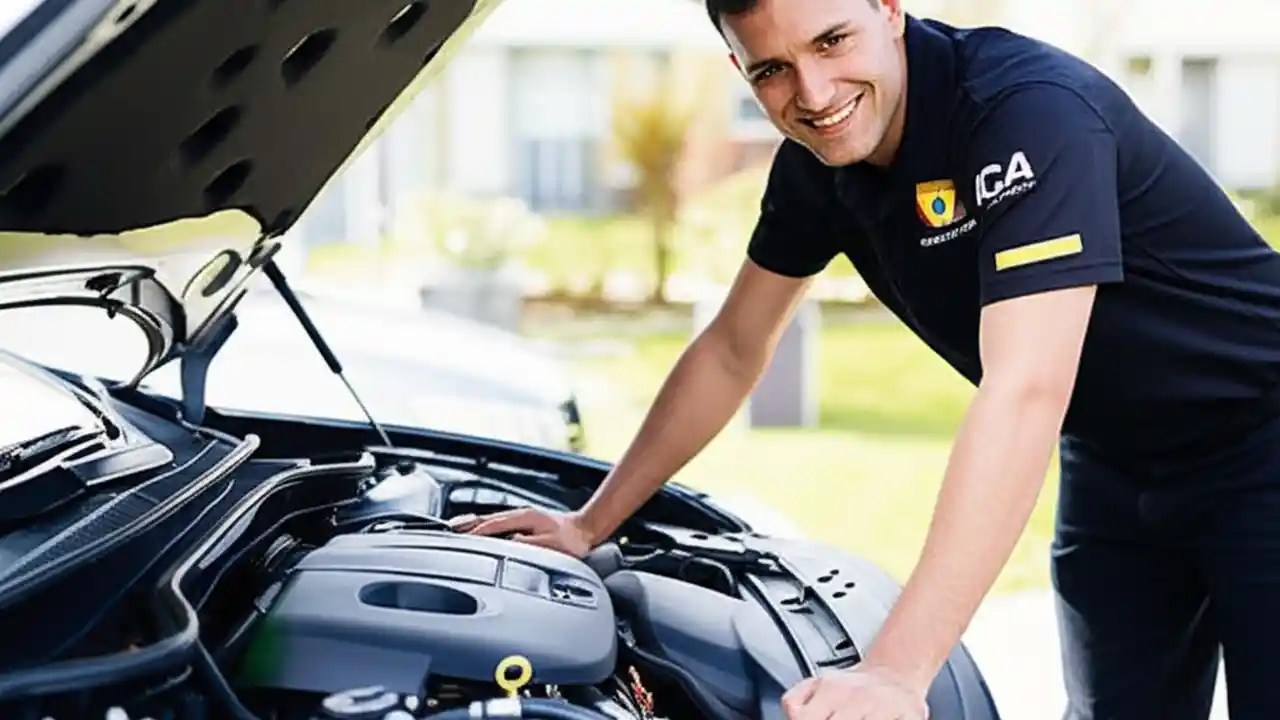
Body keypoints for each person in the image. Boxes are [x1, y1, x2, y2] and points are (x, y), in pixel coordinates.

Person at [453, 0, 1280, 717]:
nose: (813, 96)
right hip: (1113, 464)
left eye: (832, 41)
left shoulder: (1026, 111)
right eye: (771, 70)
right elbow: (735, 349)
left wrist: (895, 670)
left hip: (1262, 438)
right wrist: (589, 522)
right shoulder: (819, 168)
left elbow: (1024, 388)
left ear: (889, 8)